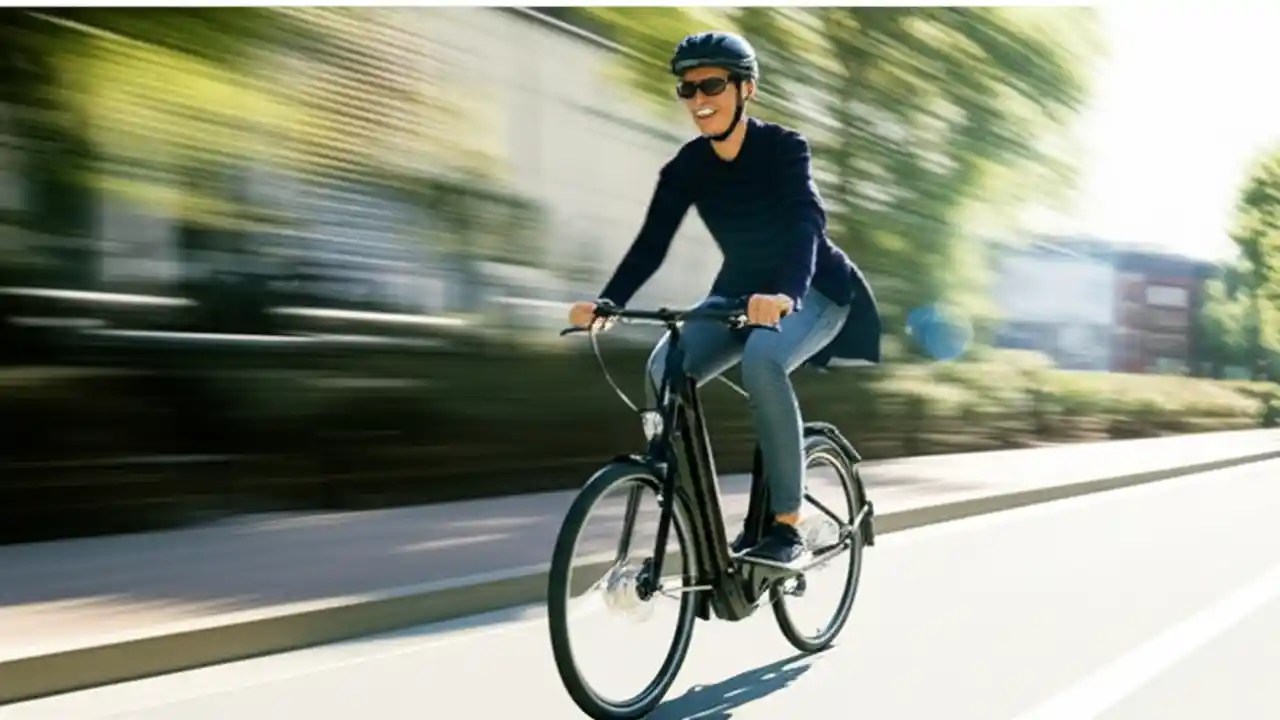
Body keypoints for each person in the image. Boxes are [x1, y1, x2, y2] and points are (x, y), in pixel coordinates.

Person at [568, 31, 882, 565]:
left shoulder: (784, 149)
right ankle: (698, 516)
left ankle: (787, 526)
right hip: (738, 291)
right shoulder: (688, 166)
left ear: (746, 89)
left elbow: (807, 224)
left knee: (762, 361)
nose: (698, 99)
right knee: (664, 367)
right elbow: (651, 243)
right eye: (686, 90)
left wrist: (783, 293)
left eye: (711, 84)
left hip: (815, 290)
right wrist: (608, 302)